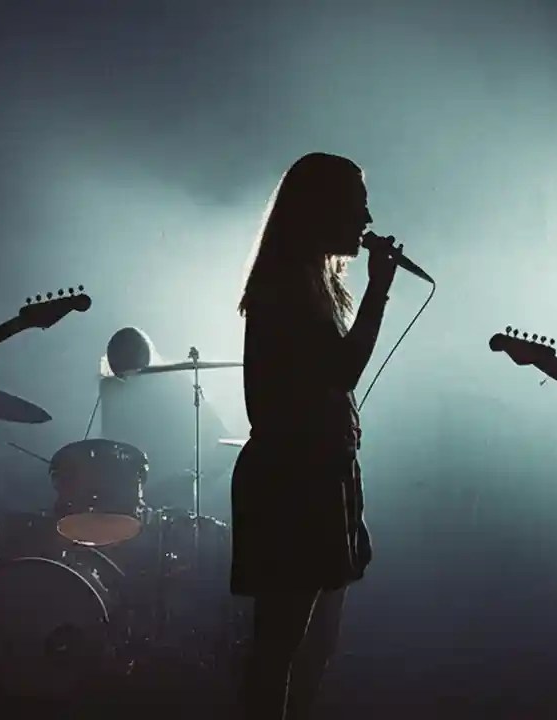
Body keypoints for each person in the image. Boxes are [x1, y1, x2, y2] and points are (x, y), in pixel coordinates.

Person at [231, 152, 401, 719]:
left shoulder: (311, 283)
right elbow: (342, 370)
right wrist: (379, 289)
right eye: (356, 203)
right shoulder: (285, 285)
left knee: (315, 645)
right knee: (280, 646)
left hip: (322, 474)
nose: (367, 217)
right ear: (321, 209)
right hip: (294, 479)